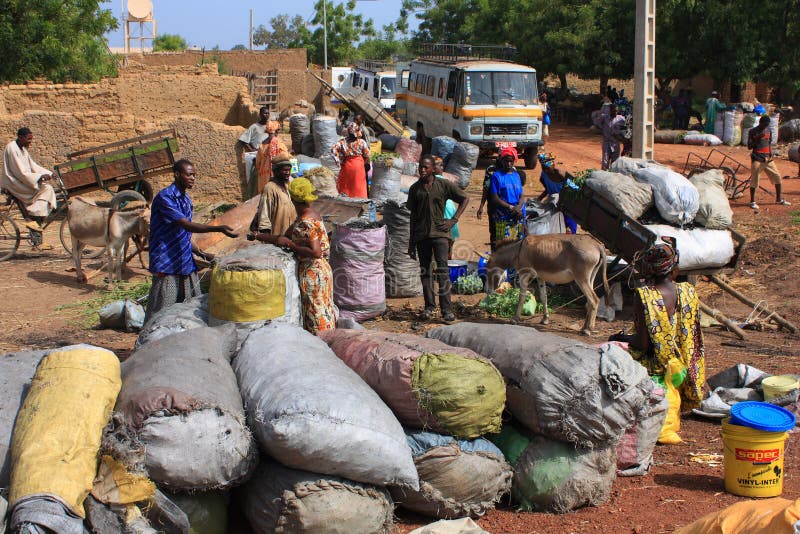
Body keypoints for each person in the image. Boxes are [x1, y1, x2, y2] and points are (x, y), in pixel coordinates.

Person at [612, 240, 705, 442]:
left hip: (656, 367)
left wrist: (620, 339)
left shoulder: (645, 296)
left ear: (647, 270)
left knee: (608, 352)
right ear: (674, 269)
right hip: (682, 367)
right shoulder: (688, 291)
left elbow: (643, 344)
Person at [144, 159, 238, 322]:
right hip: (167, 262)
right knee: (164, 309)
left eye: (194, 175)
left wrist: (202, 254)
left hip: (184, 261)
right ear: (177, 174)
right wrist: (218, 228)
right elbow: (186, 226)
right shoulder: (166, 197)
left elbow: (184, 235)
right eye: (189, 174)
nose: (193, 178)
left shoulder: (186, 201)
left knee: (190, 307)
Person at [407, 154, 469, 322]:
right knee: (425, 272)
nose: (422, 170)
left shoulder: (443, 185)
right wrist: (411, 243)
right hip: (422, 236)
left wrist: (453, 220)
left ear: (433, 169)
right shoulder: (415, 189)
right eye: (420, 167)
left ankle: (446, 310)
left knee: (442, 272)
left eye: (425, 167)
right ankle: (429, 307)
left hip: (441, 235)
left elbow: (464, 198)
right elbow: (413, 217)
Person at [281, 178, 337, 335]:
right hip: (323, 270)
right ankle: (329, 342)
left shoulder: (305, 221)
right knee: (324, 310)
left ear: (292, 198)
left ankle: (322, 346)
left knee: (316, 314)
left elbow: (315, 252)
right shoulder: (312, 214)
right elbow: (286, 234)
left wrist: (292, 246)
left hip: (313, 273)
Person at [2, 127, 57, 248]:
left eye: (31, 139)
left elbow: (33, 166)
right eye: (28, 139)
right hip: (15, 183)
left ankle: (35, 223)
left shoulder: (23, 149)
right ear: (20, 138)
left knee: (47, 189)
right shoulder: (12, 148)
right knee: (45, 189)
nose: (30, 142)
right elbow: (21, 173)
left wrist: (48, 173)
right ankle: (32, 216)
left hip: (23, 181)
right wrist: (39, 177)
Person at [249, 154, 297, 244]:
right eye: (284, 170)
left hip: (290, 235)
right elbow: (264, 212)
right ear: (276, 171)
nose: (287, 173)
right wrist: (266, 237)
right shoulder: (270, 188)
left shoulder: (288, 185)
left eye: (289, 170)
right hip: (277, 236)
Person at [747, 114, 790, 209]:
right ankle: (752, 201)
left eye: (767, 124)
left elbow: (769, 143)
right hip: (757, 157)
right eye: (764, 124)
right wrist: (757, 137)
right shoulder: (753, 131)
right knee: (755, 179)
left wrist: (770, 153)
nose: (765, 126)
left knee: (777, 177)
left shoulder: (768, 130)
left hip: (768, 158)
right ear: (760, 123)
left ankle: (779, 199)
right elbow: (749, 146)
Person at [489, 147, 526, 247]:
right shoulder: (497, 176)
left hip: (517, 214)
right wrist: (511, 207)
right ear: (502, 161)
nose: (509, 164)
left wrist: (518, 207)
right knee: (504, 246)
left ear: (514, 161)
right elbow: (495, 198)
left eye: (511, 161)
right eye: (506, 161)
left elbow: (521, 195)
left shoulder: (516, 176)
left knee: (517, 245)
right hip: (503, 214)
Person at [536, 156, 578, 234]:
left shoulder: (561, 175)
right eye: (543, 168)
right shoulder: (543, 175)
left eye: (547, 168)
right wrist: (539, 199)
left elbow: (575, 188)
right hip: (553, 201)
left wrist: (561, 199)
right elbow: (547, 189)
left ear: (553, 165)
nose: (545, 171)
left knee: (569, 223)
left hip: (566, 201)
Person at [331, 123, 370, 198]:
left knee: (346, 185)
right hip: (359, 167)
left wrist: (339, 161)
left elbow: (333, 149)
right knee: (358, 185)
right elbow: (367, 154)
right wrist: (366, 163)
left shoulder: (343, 141)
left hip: (347, 166)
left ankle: (345, 201)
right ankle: (359, 201)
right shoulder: (361, 142)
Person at [251, 120, 289, 198]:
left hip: (264, 175)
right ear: (277, 130)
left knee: (265, 195)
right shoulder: (279, 143)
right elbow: (285, 157)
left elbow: (258, 162)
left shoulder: (262, 144)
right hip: (277, 174)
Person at [433, 156, 459, 258]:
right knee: (448, 244)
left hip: (444, 214)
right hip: (449, 214)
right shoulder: (445, 181)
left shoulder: (433, 182)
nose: (442, 167)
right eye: (440, 165)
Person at [600, 104, 627, 170]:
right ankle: (604, 175)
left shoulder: (621, 119)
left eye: (617, 111)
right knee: (605, 161)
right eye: (614, 111)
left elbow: (627, 126)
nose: (615, 113)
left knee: (615, 162)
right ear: (610, 111)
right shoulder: (604, 118)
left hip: (616, 143)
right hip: (607, 143)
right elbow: (598, 123)